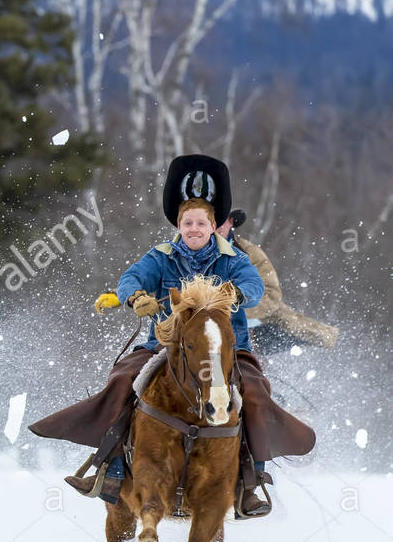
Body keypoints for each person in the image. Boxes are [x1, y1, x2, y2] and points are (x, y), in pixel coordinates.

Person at [30, 154, 315, 518]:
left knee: (256, 392)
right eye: (187, 223)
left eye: (200, 223)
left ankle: (250, 480)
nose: (193, 229)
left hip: (226, 350)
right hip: (163, 345)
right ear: (178, 225)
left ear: (214, 226)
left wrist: (237, 295)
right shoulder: (160, 256)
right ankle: (110, 467)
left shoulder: (235, 259)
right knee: (122, 379)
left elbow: (255, 287)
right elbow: (131, 277)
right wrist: (135, 297)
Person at [220, 210, 339, 352]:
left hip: (258, 323)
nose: (217, 227)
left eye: (222, 220)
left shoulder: (250, 252)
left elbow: (271, 295)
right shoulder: (191, 251)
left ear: (231, 222)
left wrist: (232, 310)